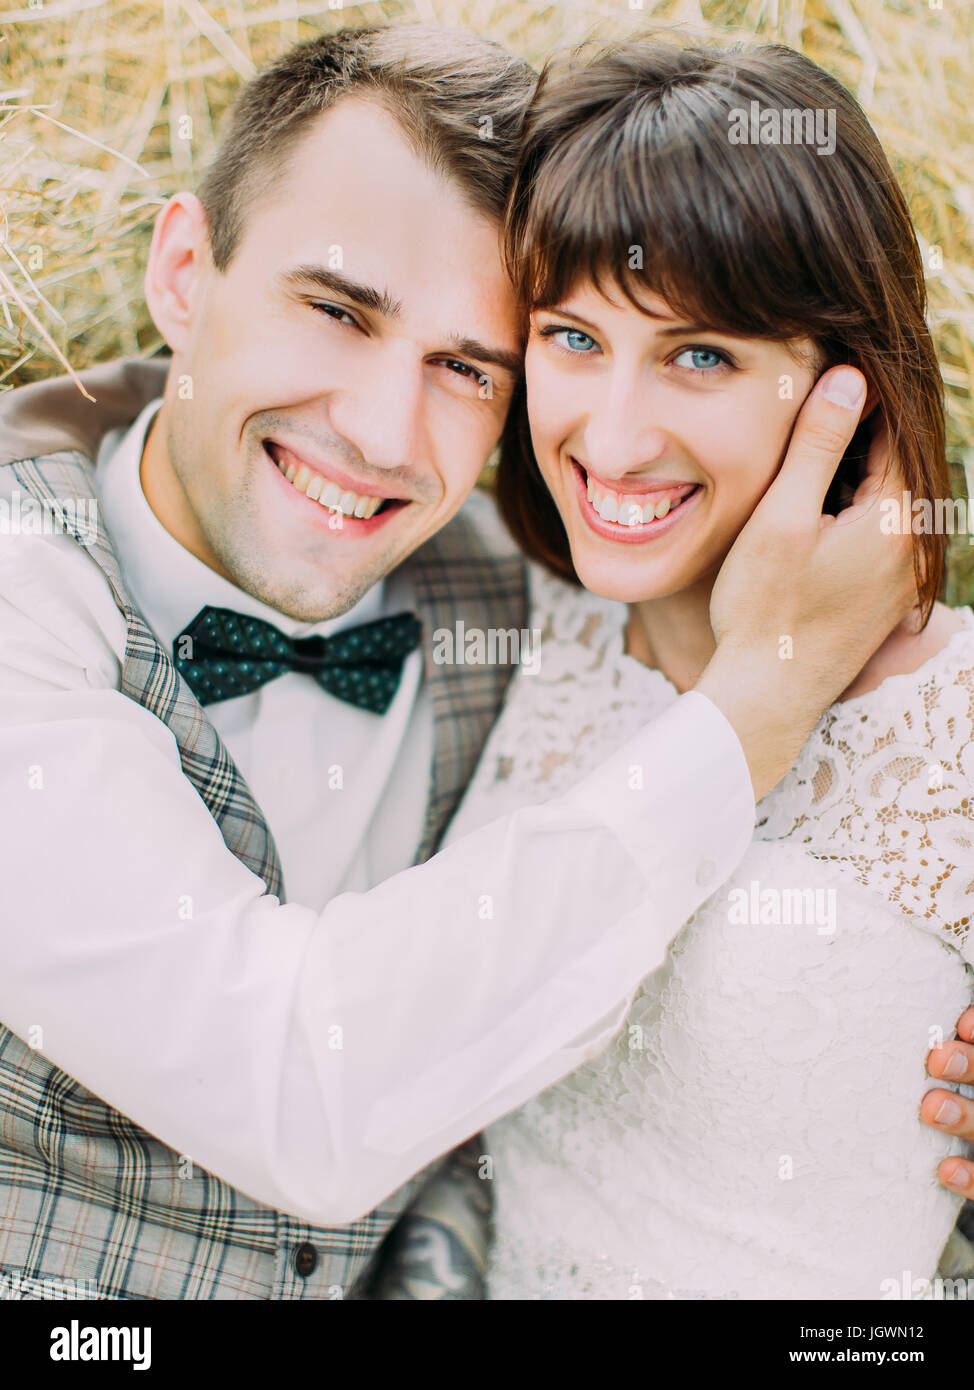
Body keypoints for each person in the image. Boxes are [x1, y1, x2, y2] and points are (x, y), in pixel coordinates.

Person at [0, 23, 934, 1301]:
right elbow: (298, 1092)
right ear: (182, 273)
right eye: (335, 311)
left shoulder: (531, 595)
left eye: (468, 368)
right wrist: (757, 701)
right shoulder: (22, 600)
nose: (384, 437)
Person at [415, 37, 974, 1299]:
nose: (608, 439)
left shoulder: (958, 723)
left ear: (849, 388)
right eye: (569, 337)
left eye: (700, 355)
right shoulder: (513, 626)